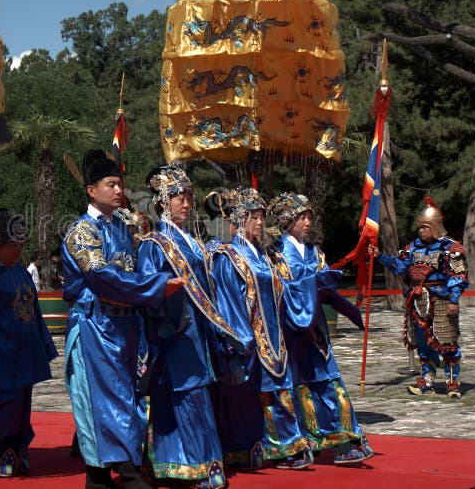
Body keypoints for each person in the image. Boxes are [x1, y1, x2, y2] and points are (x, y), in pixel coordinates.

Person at [61, 149, 183, 489]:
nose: (119, 190)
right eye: (111, 184)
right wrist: (156, 286)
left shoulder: (119, 228)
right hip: (96, 327)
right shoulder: (81, 232)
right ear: (91, 190)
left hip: (123, 327)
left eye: (120, 184)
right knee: (105, 399)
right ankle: (125, 472)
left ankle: (100, 477)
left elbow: (134, 271)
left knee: (125, 396)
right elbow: (103, 278)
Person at [137, 165, 236, 489]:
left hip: (199, 333)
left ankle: (181, 462)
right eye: (179, 197)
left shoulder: (193, 241)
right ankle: (198, 464)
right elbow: (148, 287)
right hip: (175, 330)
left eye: (189, 197)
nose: (187, 203)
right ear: (163, 202)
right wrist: (168, 301)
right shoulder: (154, 243)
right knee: (186, 395)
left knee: (193, 394)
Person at [208, 187, 316, 470]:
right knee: (249, 393)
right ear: (239, 219)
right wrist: (241, 338)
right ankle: (253, 446)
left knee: (278, 387)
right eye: (252, 217)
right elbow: (229, 301)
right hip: (248, 335)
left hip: (274, 333)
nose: (258, 223)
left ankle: (286, 444)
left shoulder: (265, 254)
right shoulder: (228, 256)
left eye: (261, 217)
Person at [269, 192, 373, 464]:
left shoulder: (316, 252)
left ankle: (345, 439)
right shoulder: (275, 254)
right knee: (297, 384)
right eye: (301, 217)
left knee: (327, 378)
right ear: (287, 220)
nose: (307, 223)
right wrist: (310, 286)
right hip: (291, 330)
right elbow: (277, 290)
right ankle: (304, 440)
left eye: (308, 218)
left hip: (316, 329)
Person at [0, 208, 58, 477]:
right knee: (3, 405)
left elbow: (35, 313)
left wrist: (44, 346)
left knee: (22, 405)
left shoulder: (22, 274)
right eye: (13, 245)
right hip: (1, 355)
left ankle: (19, 447)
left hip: (25, 353)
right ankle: (0, 450)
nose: (19, 250)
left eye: (21, 245)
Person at [369, 197, 469, 398]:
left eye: (425, 227)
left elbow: (457, 276)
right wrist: (380, 256)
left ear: (435, 227)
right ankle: (427, 381)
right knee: (423, 343)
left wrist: (453, 300)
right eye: (420, 227)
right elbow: (401, 267)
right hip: (417, 301)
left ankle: (452, 383)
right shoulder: (412, 248)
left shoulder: (450, 248)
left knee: (447, 341)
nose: (421, 231)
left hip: (441, 300)